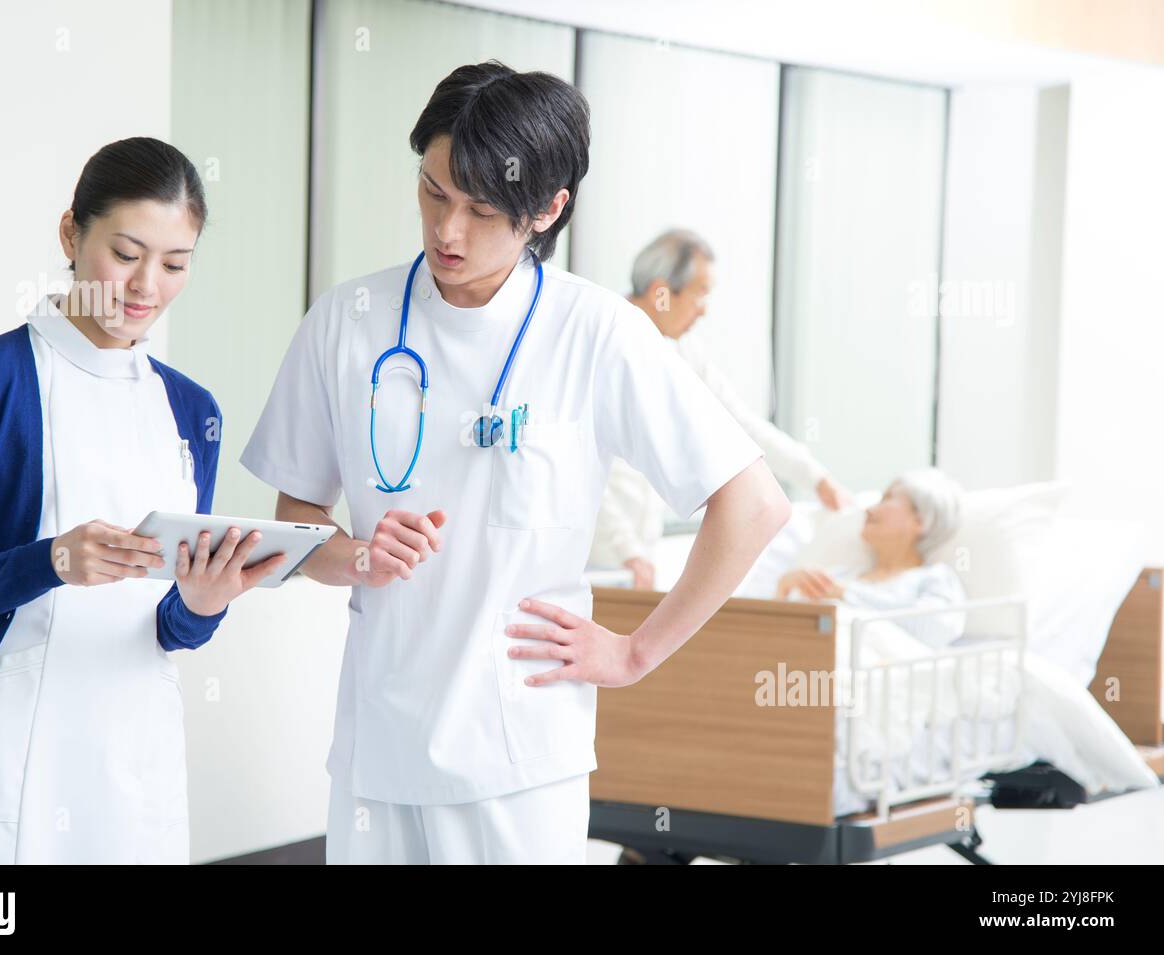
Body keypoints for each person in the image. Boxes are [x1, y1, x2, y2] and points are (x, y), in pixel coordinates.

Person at [241, 61, 791, 865]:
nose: (447, 231)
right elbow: (294, 523)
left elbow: (755, 504)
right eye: (433, 192)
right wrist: (356, 554)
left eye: (481, 208)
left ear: (547, 209)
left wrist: (636, 653)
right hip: (377, 752)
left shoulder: (595, 332)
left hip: (519, 763)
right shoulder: (346, 322)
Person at [0, 137, 286, 864]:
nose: (147, 287)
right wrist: (52, 560)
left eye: (175, 264)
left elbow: (167, 630)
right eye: (127, 253)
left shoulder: (189, 409)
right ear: (71, 232)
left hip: (132, 770)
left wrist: (202, 604)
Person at [590, 229, 851, 590]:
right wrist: (624, 549)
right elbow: (582, 457)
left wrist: (815, 477)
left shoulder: (684, 352)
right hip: (596, 557)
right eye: (700, 294)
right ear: (661, 293)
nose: (704, 309)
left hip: (637, 561)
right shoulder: (600, 342)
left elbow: (739, 424)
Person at [776, 467, 966, 648]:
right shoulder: (837, 576)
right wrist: (784, 590)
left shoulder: (935, 578)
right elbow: (780, 636)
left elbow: (933, 630)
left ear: (920, 520)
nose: (868, 510)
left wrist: (846, 594)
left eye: (887, 498)